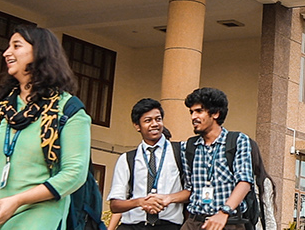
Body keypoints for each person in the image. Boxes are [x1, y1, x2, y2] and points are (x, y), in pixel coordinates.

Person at [0, 26, 92, 229]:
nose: (6, 53)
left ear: (40, 52)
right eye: (7, 47)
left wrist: (17, 201)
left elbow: (74, 174)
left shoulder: (68, 109)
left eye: (16, 46)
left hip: (40, 216)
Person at [107, 99, 189, 230]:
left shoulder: (181, 152)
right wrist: (140, 202)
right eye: (148, 120)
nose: (154, 124)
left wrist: (169, 198)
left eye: (158, 119)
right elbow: (115, 205)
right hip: (133, 226)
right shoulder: (127, 159)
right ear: (137, 126)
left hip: (168, 226)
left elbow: (193, 191)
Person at [180, 88, 254, 230]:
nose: (193, 117)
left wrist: (224, 212)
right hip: (195, 222)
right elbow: (189, 189)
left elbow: (244, 182)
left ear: (215, 113)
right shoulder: (188, 147)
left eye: (199, 111)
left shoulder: (237, 140)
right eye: (191, 112)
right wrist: (166, 198)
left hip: (228, 222)